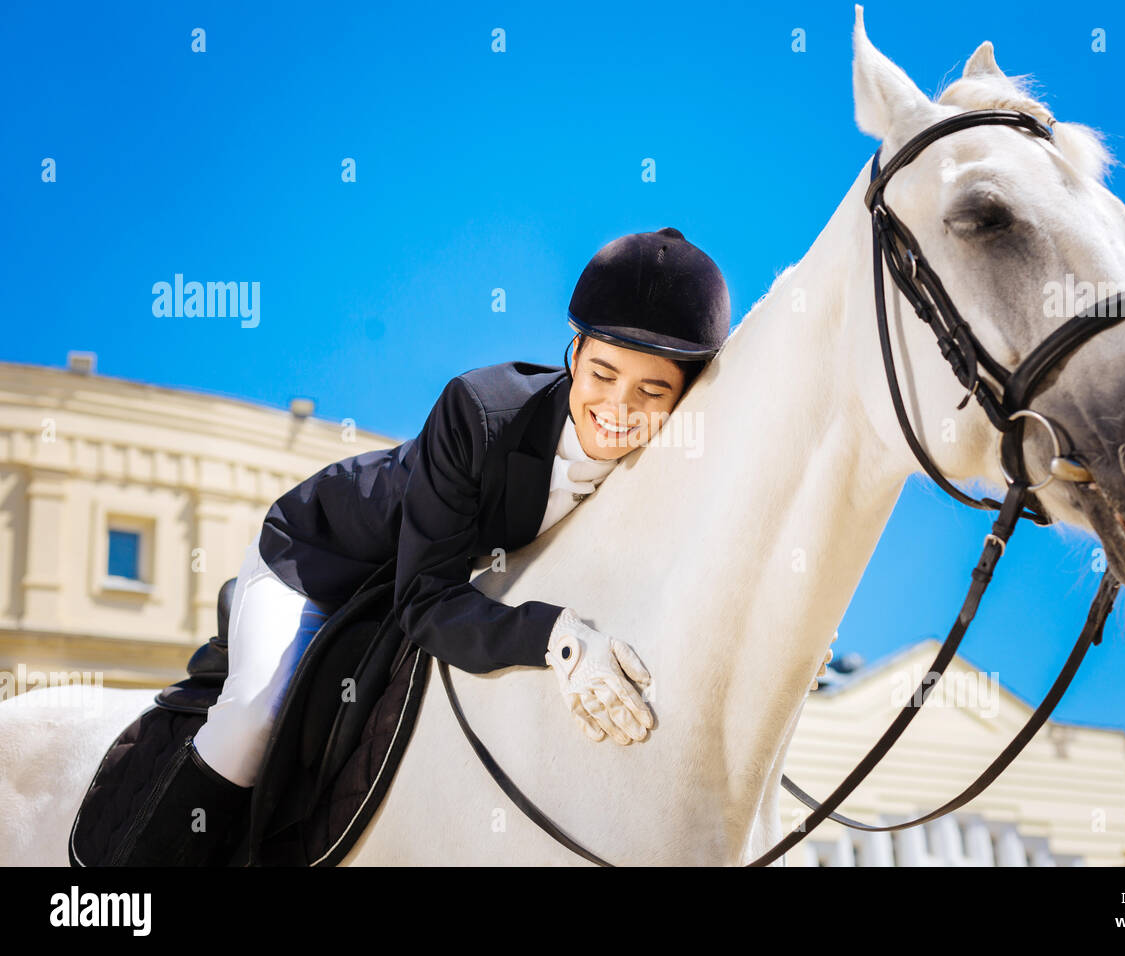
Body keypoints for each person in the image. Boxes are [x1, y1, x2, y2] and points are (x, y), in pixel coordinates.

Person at [114, 227, 731, 865]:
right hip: (322, 559)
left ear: (682, 398)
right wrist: (561, 641)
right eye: (603, 373)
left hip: (433, 584)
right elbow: (425, 598)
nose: (619, 407)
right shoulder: (478, 410)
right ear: (574, 354)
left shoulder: (665, 467)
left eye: (651, 392)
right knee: (251, 718)